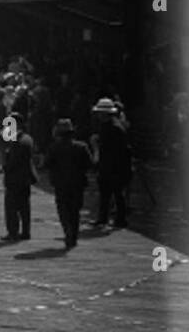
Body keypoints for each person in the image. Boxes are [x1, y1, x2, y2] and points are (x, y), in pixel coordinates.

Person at [43, 118, 93, 249]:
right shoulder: (81, 147)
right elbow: (89, 164)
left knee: (63, 209)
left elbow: (46, 164)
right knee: (75, 211)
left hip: (60, 183)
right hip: (78, 183)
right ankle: (74, 235)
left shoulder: (54, 147)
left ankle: (68, 231)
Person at [91, 98, 132, 230]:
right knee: (106, 193)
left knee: (116, 193)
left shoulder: (115, 128)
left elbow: (117, 149)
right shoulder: (108, 126)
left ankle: (119, 219)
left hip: (114, 165)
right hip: (108, 164)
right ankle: (104, 218)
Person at [0, 113, 36, 241]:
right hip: (25, 178)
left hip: (15, 178)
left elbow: (13, 161)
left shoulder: (17, 140)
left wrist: (5, 167)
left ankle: (13, 232)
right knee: (24, 207)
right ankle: (25, 232)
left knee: (12, 207)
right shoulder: (27, 138)